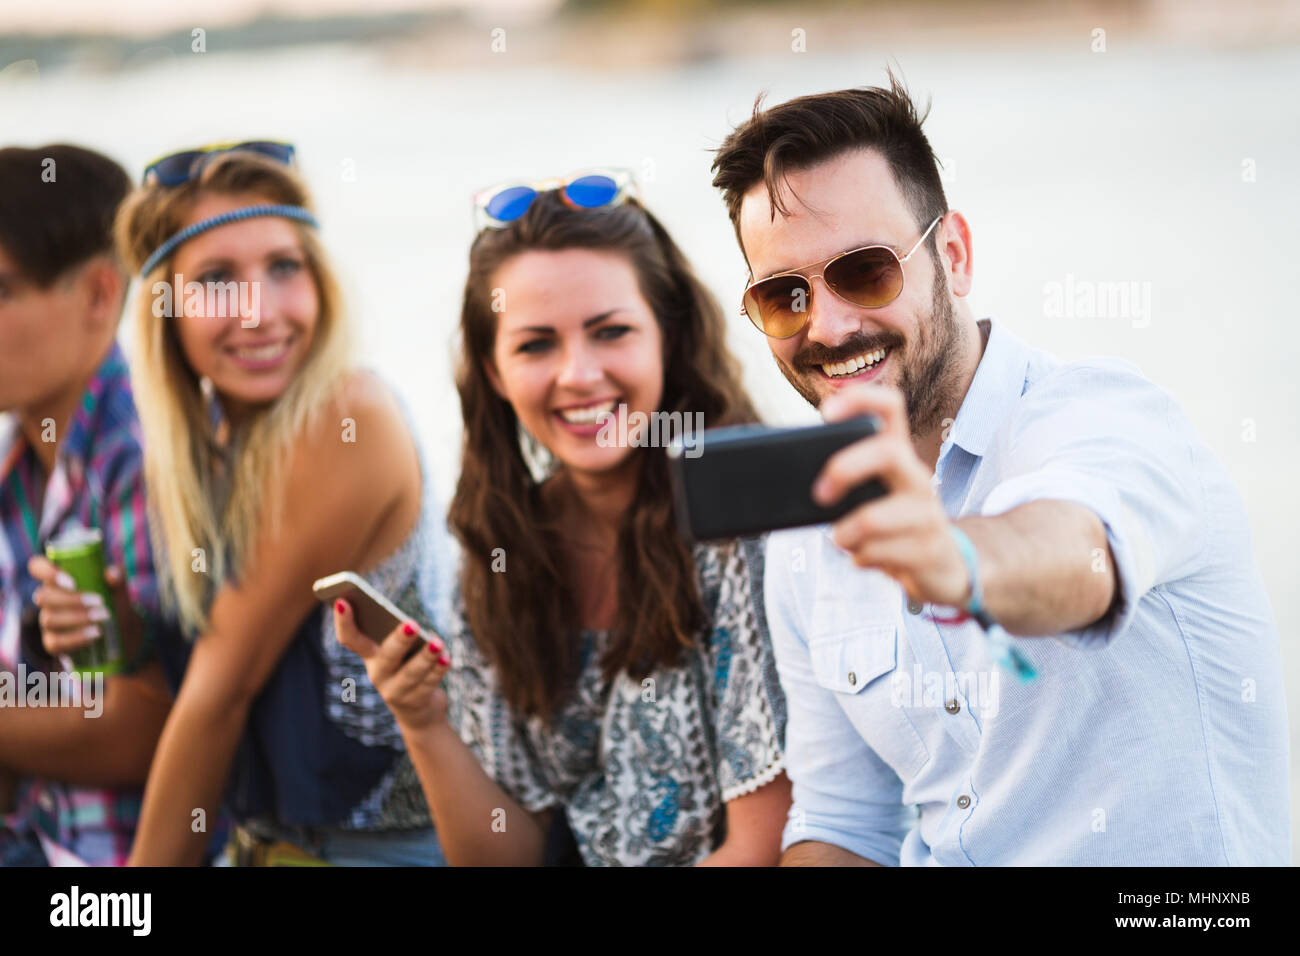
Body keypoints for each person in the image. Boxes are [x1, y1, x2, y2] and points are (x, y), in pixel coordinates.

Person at [709, 73, 1290, 865]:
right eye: (785, 296)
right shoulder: (806, 541)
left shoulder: (1106, 414)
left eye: (865, 271)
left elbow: (1076, 555)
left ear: (952, 256)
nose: (830, 325)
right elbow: (845, 822)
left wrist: (957, 560)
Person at [334, 172, 790, 865]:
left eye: (611, 332)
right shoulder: (495, 554)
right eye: (536, 344)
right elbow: (505, 854)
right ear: (492, 371)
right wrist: (423, 721)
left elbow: (763, 848)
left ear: (666, 336)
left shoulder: (745, 526)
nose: (578, 374)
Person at [111, 142, 452, 866]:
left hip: (384, 850)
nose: (259, 311)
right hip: (269, 847)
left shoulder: (344, 414)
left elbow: (220, 695)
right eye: (216, 279)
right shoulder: (213, 443)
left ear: (320, 279)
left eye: (283, 266)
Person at [0, 144, 174, 866]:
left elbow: (141, 729)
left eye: (1, 290)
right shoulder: (18, 461)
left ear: (101, 295)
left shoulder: (144, 456)